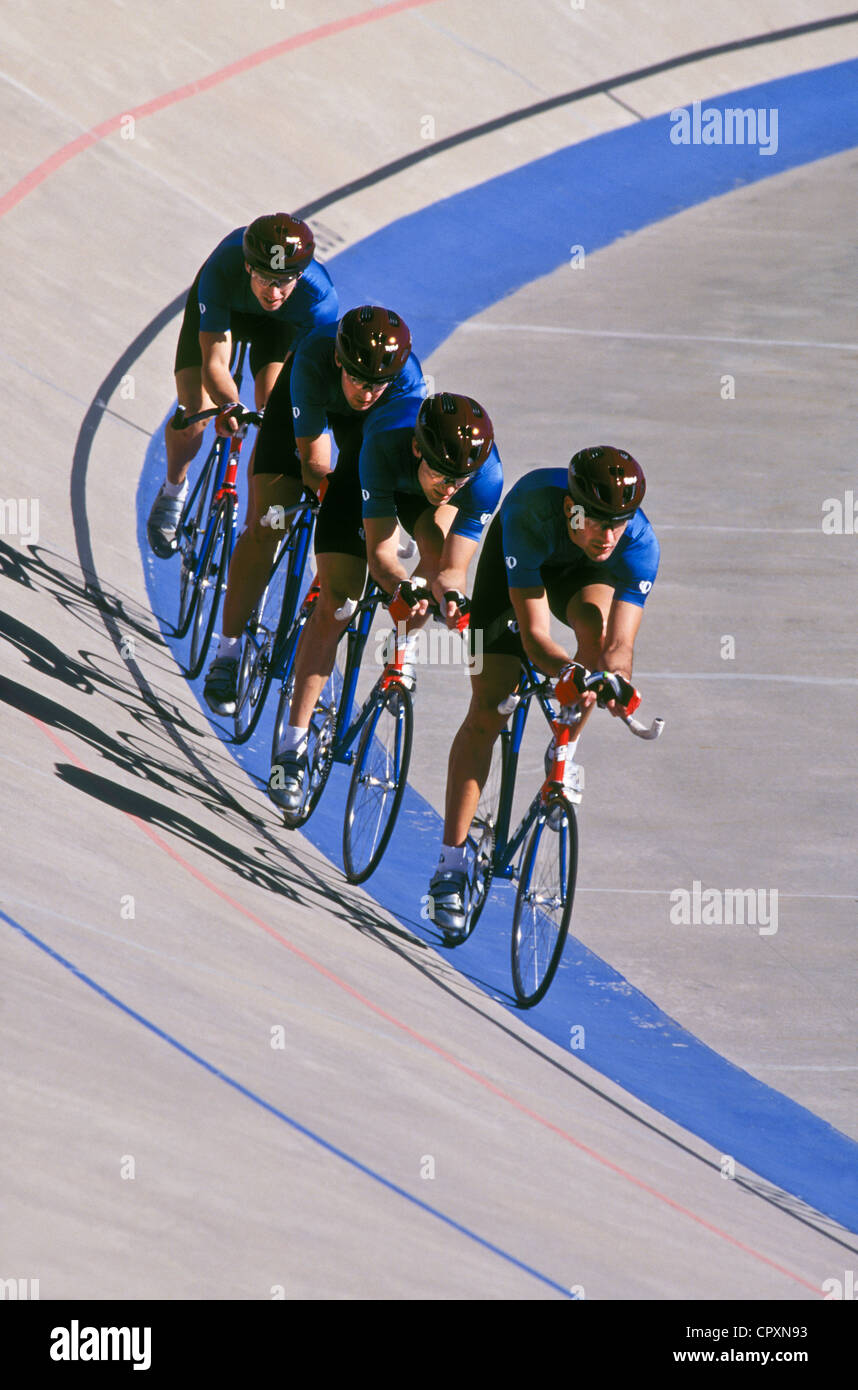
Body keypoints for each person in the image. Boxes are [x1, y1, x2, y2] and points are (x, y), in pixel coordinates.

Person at [426, 445, 660, 937]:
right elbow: (534, 638)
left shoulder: (636, 543)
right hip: (516, 572)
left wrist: (612, 680)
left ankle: (564, 747)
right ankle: (450, 864)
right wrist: (564, 671)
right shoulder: (533, 511)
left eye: (620, 523)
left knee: (595, 647)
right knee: (489, 708)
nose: (610, 535)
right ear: (573, 510)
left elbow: (621, 645)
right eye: (599, 523)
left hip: (579, 577)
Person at [269, 392, 503, 814]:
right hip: (368, 481)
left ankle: (402, 649)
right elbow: (380, 557)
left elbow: (452, 570)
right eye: (443, 475)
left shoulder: (484, 480)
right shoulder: (384, 444)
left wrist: (451, 598)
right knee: (338, 604)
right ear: (419, 448)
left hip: (422, 502)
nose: (450, 486)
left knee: (432, 565)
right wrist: (398, 587)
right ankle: (292, 747)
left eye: (459, 480)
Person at [202, 304, 425, 714]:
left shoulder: (406, 389)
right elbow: (314, 465)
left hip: (368, 433)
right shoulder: (314, 359)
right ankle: (227, 653)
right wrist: (331, 500)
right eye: (358, 378)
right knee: (268, 523)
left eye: (378, 383)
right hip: (303, 412)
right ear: (340, 360)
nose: (367, 391)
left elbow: (386, 473)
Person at [146, 212, 337, 558]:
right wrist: (229, 404)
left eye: (285, 281)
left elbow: (299, 385)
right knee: (197, 410)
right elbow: (214, 362)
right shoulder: (223, 269)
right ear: (250, 267)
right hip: (223, 313)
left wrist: (273, 416)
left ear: (301, 274)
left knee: (272, 413)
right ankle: (173, 491)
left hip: (277, 329)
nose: (274, 291)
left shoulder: (320, 302)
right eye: (266, 278)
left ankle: (254, 531)